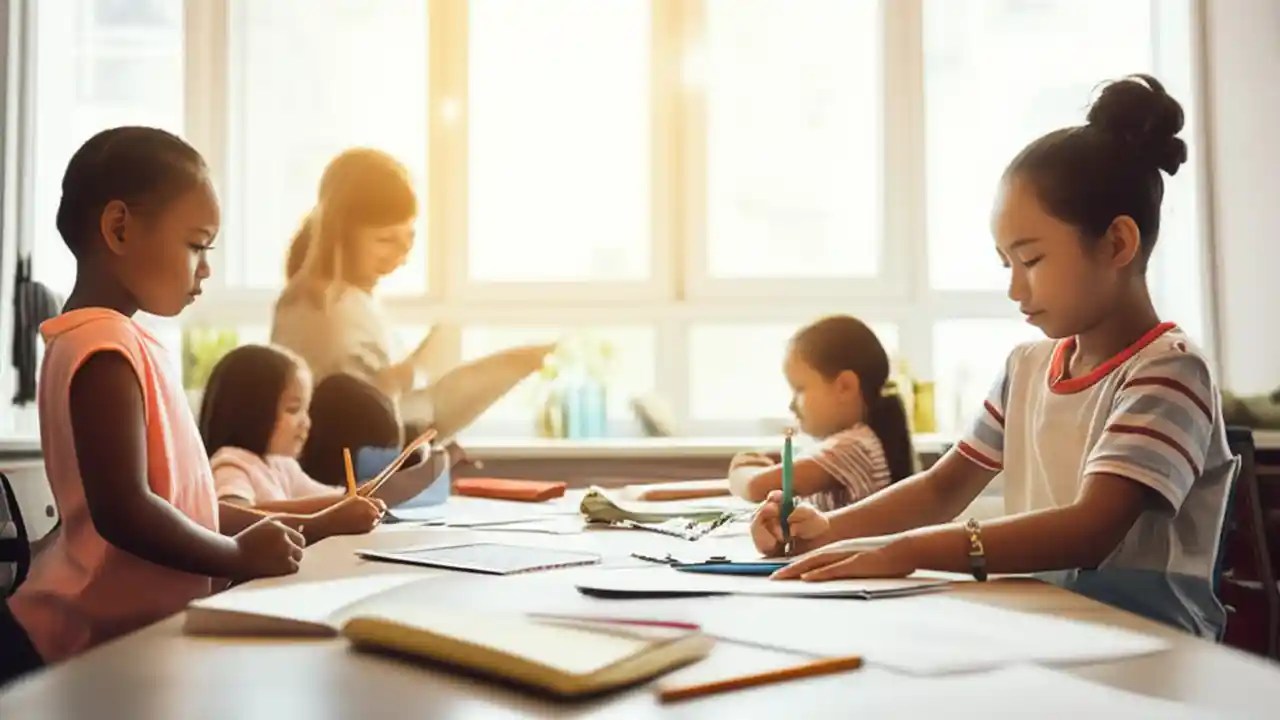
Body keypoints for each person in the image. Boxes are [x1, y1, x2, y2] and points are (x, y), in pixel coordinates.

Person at [755, 75, 1234, 639]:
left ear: (1116, 244)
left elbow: (1090, 529)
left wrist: (905, 550)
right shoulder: (1026, 367)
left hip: (1150, 645)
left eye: (1030, 260)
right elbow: (941, 488)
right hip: (1048, 627)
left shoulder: (1169, 372)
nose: (1015, 289)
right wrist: (828, 528)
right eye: (1005, 263)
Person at [2, 128, 304, 685]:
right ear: (119, 228)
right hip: (77, 643)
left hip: (124, 647)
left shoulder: (122, 342)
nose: (205, 269)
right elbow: (126, 510)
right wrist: (235, 556)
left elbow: (186, 505)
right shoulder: (100, 346)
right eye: (196, 244)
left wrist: (304, 522)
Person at [270, 148, 551, 439]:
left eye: (409, 238)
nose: (401, 255)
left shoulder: (354, 303)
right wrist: (403, 378)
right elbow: (353, 423)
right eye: (385, 239)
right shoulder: (323, 312)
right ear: (342, 235)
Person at [198, 345, 385, 544]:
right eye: (294, 409)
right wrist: (332, 510)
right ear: (251, 410)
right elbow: (234, 515)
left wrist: (356, 497)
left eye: (306, 410)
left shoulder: (283, 467)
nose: (306, 423)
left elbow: (343, 497)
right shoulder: (232, 462)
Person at [728, 315, 913, 510]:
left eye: (800, 389)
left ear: (845, 386)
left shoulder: (856, 447)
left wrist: (740, 470)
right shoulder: (854, 443)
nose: (791, 405)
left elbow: (756, 486)